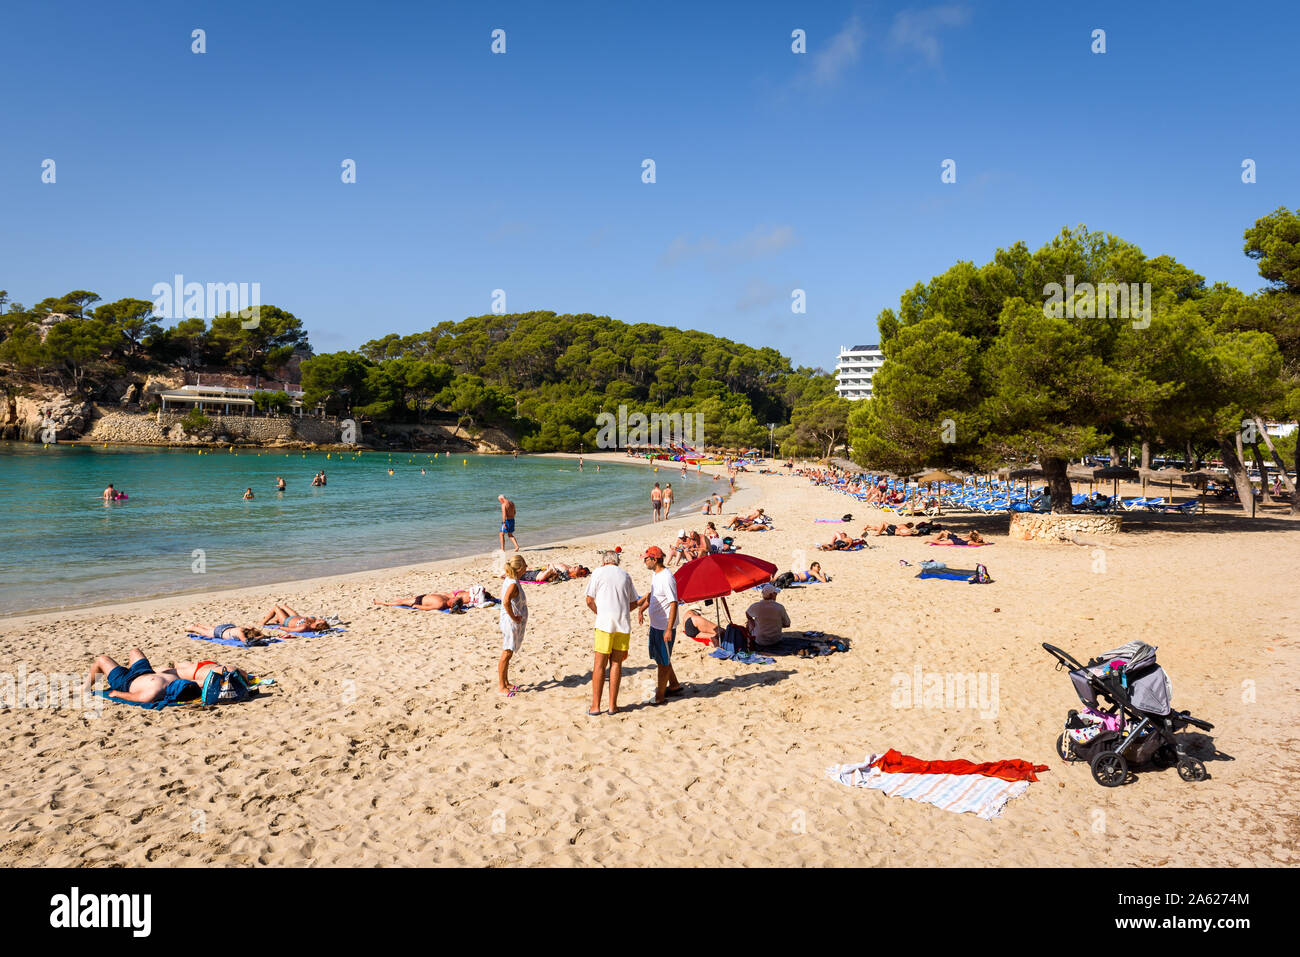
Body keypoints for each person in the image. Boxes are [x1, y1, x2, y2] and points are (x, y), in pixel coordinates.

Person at [584, 549, 641, 716]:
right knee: (616, 664)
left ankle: (595, 706)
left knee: (599, 665)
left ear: (604, 561)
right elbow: (634, 602)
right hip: (622, 624)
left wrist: (599, 612)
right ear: (617, 562)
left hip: (604, 624)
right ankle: (612, 706)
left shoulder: (598, 572)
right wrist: (621, 610)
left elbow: (589, 600)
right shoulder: (625, 575)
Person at [82, 649, 249, 704]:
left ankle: (84, 688)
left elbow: (135, 697)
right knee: (135, 651)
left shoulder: (154, 693)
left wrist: (117, 694)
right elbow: (207, 683)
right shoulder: (184, 684)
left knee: (102, 660)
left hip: (125, 682)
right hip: (145, 672)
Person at [637, 546, 683, 703]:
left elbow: (673, 603)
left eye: (646, 559)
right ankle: (674, 685)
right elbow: (653, 595)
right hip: (656, 625)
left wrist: (669, 629)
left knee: (663, 662)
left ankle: (660, 696)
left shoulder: (667, 577)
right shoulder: (656, 575)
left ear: (654, 559)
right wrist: (642, 609)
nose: (644, 562)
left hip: (664, 627)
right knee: (661, 658)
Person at [498, 554, 528, 696]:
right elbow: (505, 601)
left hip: (510, 622)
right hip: (510, 623)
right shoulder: (512, 584)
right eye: (525, 565)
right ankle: (501, 686)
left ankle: (506, 682)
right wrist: (514, 617)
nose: (527, 568)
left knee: (508, 654)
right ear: (520, 568)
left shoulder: (511, 579)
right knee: (506, 653)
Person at [260, 604, 329, 633]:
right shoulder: (313, 620)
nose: (320, 619)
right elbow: (308, 618)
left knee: (276, 608)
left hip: (286, 621)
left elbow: (290, 630)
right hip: (295, 616)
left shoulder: (304, 627)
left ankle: (263, 622)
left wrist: (280, 628)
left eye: (320, 620)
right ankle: (276, 619)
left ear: (318, 625)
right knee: (284, 606)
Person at [185, 622, 271, 644]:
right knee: (206, 633)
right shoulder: (240, 633)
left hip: (228, 627)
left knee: (211, 629)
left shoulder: (245, 629)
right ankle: (191, 627)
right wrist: (261, 637)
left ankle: (199, 624)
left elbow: (252, 628)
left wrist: (262, 636)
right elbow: (246, 642)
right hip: (220, 632)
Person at [372, 592, 467, 611]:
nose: (454, 597)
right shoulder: (447, 600)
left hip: (419, 601)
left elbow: (428, 608)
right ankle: (384, 602)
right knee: (402, 600)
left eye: (454, 599)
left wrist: (416, 606)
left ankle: (381, 603)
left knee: (401, 602)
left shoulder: (440, 604)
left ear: (452, 603)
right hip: (422, 597)